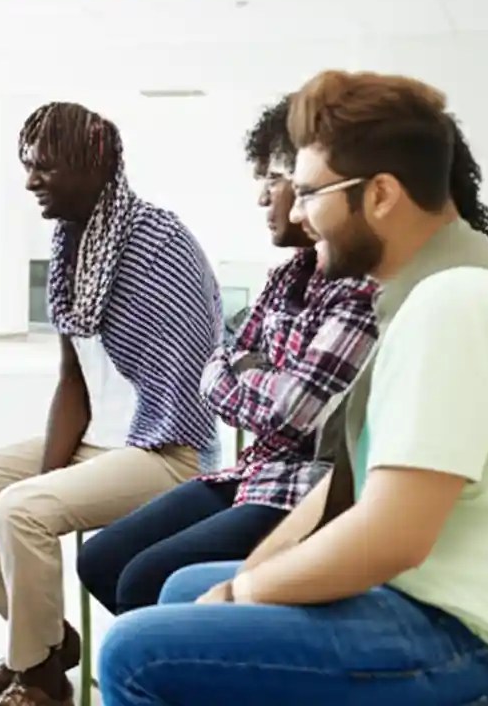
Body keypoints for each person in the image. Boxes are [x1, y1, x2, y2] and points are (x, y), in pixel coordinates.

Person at [98, 71, 488, 706]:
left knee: (134, 653)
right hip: (423, 598)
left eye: (309, 193)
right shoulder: (423, 294)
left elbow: (392, 536)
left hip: (468, 634)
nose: (296, 214)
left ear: (381, 194)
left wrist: (242, 593)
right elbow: (344, 486)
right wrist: (253, 574)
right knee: (183, 590)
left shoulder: (455, 303)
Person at [0, 102, 223, 706]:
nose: (31, 181)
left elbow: (191, 379)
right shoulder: (71, 246)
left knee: (19, 510)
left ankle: (39, 679)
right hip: (95, 443)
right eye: (28, 166)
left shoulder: (161, 244)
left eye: (46, 167)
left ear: (94, 164)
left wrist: (38, 494)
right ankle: (45, 642)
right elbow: (73, 380)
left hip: (166, 449)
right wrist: (49, 476)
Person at [74, 97, 379, 616]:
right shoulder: (286, 276)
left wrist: (247, 371)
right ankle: (165, 653)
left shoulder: (360, 288)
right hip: (252, 470)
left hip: (303, 489)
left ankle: (171, 654)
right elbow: (215, 368)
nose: (263, 197)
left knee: (144, 580)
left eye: (275, 179)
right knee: (100, 559)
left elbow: (291, 414)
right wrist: (253, 372)